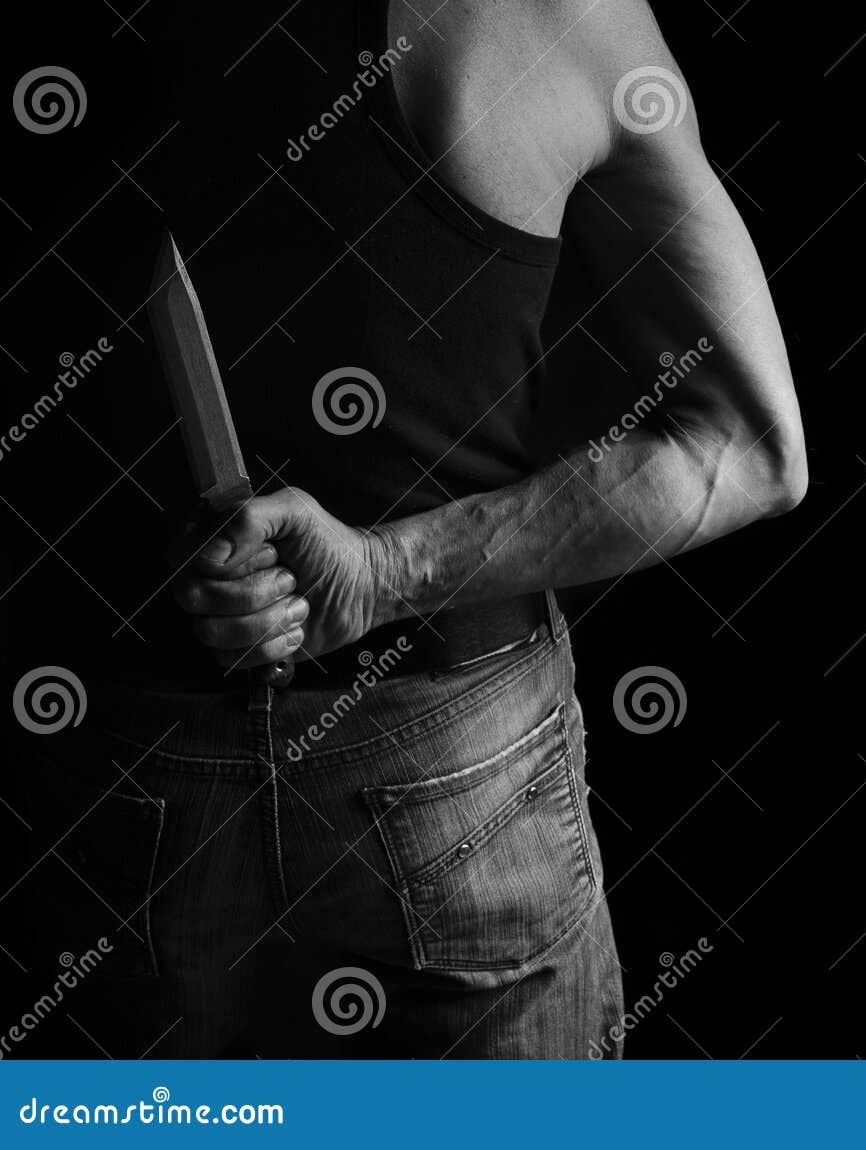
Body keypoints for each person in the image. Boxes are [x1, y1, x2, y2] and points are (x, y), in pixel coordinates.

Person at [6, 0, 804, 1058]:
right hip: (448, 788)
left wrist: (375, 572)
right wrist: (386, 574)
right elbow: (745, 446)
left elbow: (751, 449)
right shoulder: (552, 18)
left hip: (110, 794)